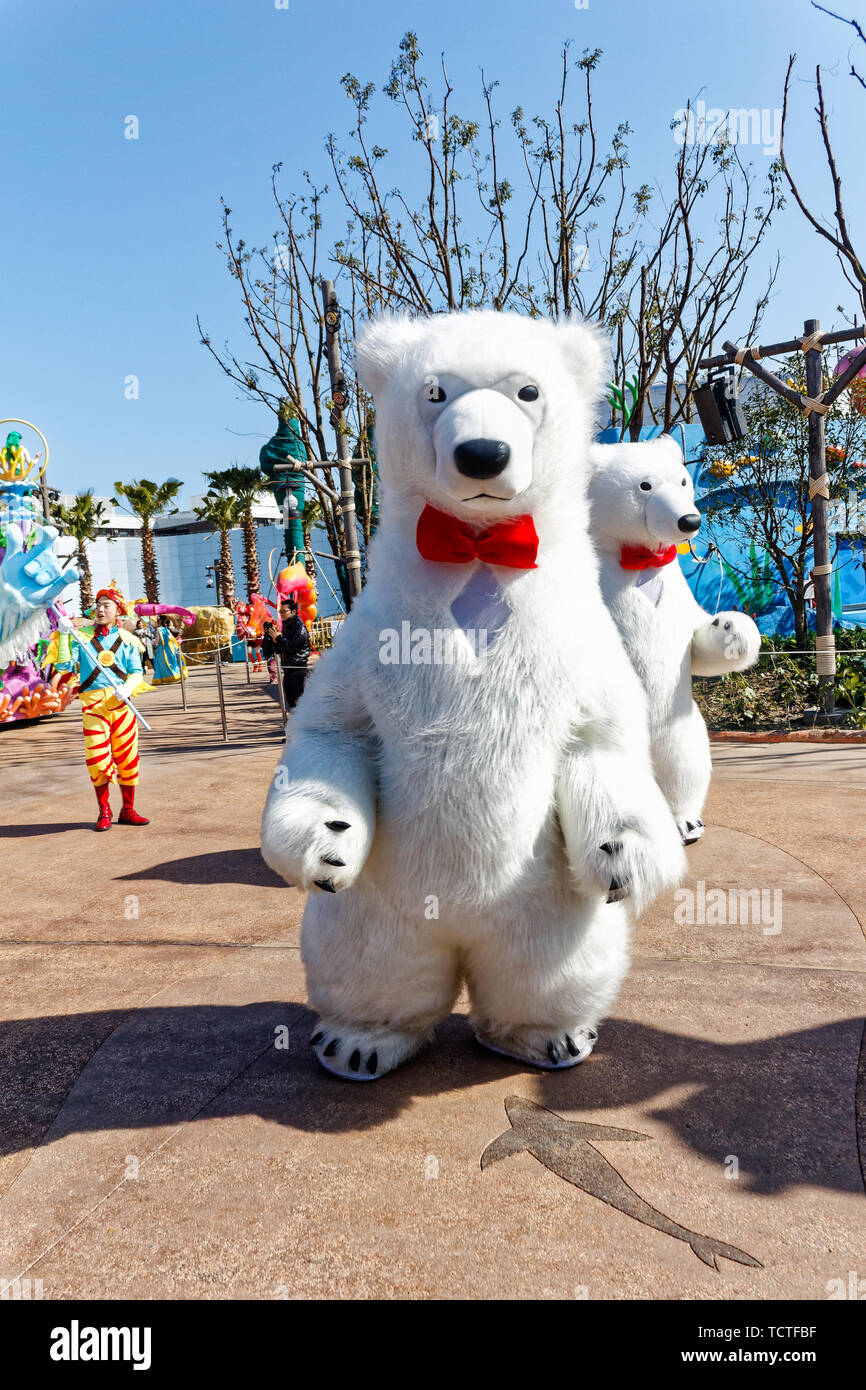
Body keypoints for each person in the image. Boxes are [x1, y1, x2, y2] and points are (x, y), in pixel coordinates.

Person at [74, 586, 150, 831]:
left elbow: (137, 672)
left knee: (128, 759)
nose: (101, 609)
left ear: (118, 610)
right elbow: (65, 665)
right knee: (97, 759)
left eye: (106, 605)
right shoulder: (81, 636)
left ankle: (127, 810)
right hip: (93, 706)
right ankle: (103, 810)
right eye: (98, 605)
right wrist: (63, 638)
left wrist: (127, 687)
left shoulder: (128, 639)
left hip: (121, 705)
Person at [279, 596, 310, 710]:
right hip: (288, 669)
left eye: (284, 611)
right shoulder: (286, 626)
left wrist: (278, 639)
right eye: (280, 611)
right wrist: (273, 639)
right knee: (292, 703)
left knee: (299, 703)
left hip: (298, 669)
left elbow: (292, 647)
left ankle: (303, 726)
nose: (281, 614)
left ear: (293, 611)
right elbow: (281, 649)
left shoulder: (299, 627)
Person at [152, 615, 185, 683]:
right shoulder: (167, 629)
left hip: (161, 650)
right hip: (170, 648)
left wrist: (154, 644)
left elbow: (157, 641)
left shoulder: (159, 630)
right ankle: (176, 676)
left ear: (159, 622)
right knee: (172, 662)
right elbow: (171, 638)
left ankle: (163, 678)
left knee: (161, 664)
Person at [261, 618, 279, 684]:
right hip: (267, 653)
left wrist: (274, 651)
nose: (264, 629)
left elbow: (274, 643)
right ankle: (272, 678)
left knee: (272, 667)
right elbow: (264, 644)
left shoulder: (272, 634)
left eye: (265, 627)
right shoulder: (266, 635)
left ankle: (274, 679)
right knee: (269, 667)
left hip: (272, 653)